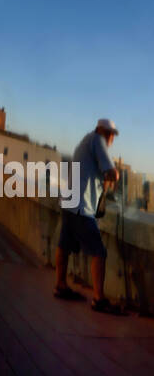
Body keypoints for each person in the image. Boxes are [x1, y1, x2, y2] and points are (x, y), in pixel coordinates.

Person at [54, 118, 123, 314]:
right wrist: (116, 175)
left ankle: (60, 285)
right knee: (99, 252)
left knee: (64, 245)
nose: (111, 138)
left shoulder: (85, 140)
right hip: (81, 206)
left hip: (69, 201)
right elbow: (110, 171)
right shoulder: (97, 140)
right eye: (110, 134)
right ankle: (99, 299)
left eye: (113, 135)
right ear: (102, 130)